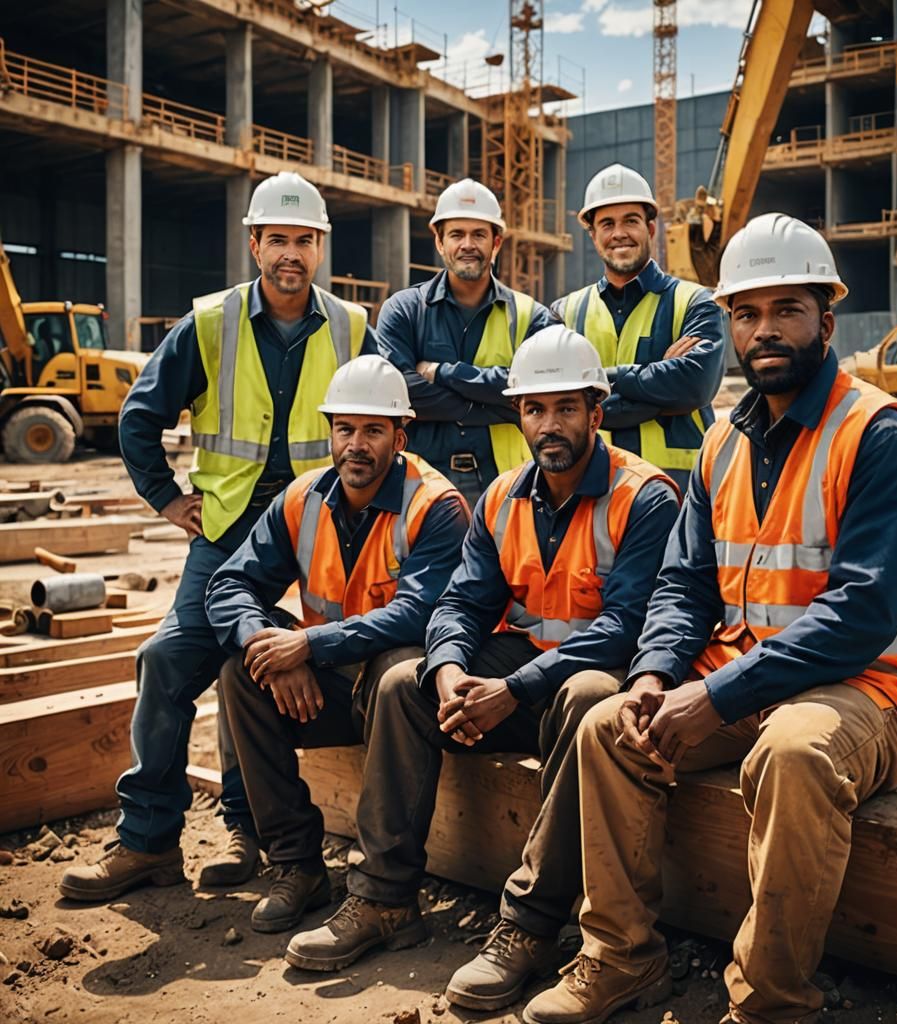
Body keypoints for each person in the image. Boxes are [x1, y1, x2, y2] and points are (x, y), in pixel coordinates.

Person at [523, 213, 897, 1024]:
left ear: (826, 320)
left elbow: (861, 614)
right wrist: (654, 676)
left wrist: (712, 699)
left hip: (874, 693)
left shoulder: (878, 434)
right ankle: (620, 957)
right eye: (746, 314)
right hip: (749, 677)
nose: (764, 330)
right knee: (610, 727)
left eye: (786, 309)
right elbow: (685, 587)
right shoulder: (723, 442)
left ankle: (767, 1004)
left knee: (792, 754)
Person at [283, 326, 680, 979]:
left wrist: (512, 690)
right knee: (400, 684)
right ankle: (384, 898)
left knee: (586, 700)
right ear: (518, 415)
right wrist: (446, 675)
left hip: (597, 681)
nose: (548, 425)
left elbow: (628, 625)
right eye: (534, 408)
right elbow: (461, 605)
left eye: (565, 408)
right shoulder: (502, 496)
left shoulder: (645, 498)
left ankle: (531, 925)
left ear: (596, 413)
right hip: (525, 679)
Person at [60, 172, 375, 901]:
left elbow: (384, 418)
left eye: (304, 240)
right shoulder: (210, 324)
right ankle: (146, 841)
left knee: (264, 667)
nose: (290, 254)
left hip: (327, 531)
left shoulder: (355, 326)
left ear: (320, 246)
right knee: (168, 659)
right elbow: (139, 418)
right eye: (278, 240)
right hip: (232, 531)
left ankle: (247, 830)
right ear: (254, 244)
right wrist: (168, 499)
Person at [204, 355, 469, 934]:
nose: (356, 444)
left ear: (401, 436)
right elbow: (228, 583)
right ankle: (297, 866)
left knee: (404, 666)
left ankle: (385, 892)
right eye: (344, 429)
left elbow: (417, 613)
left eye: (373, 430)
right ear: (330, 433)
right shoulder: (301, 500)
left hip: (396, 705)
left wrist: (310, 646)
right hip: (325, 692)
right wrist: (270, 651)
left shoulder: (436, 506)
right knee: (238, 673)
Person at [373, 178, 555, 505]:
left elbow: (540, 394)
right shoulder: (403, 311)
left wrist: (444, 373)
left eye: (479, 234)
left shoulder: (533, 317)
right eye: (456, 234)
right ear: (439, 242)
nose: (467, 244)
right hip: (419, 484)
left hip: (509, 485)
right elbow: (398, 394)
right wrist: (493, 406)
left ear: (496, 242)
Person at [555, 163, 725, 491]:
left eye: (630, 221)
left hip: (678, 483)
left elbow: (696, 387)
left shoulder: (695, 302)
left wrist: (591, 390)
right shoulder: (565, 313)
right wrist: (660, 375)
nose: (619, 233)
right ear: (593, 235)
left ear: (650, 228)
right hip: (590, 480)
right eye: (607, 223)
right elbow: (554, 400)